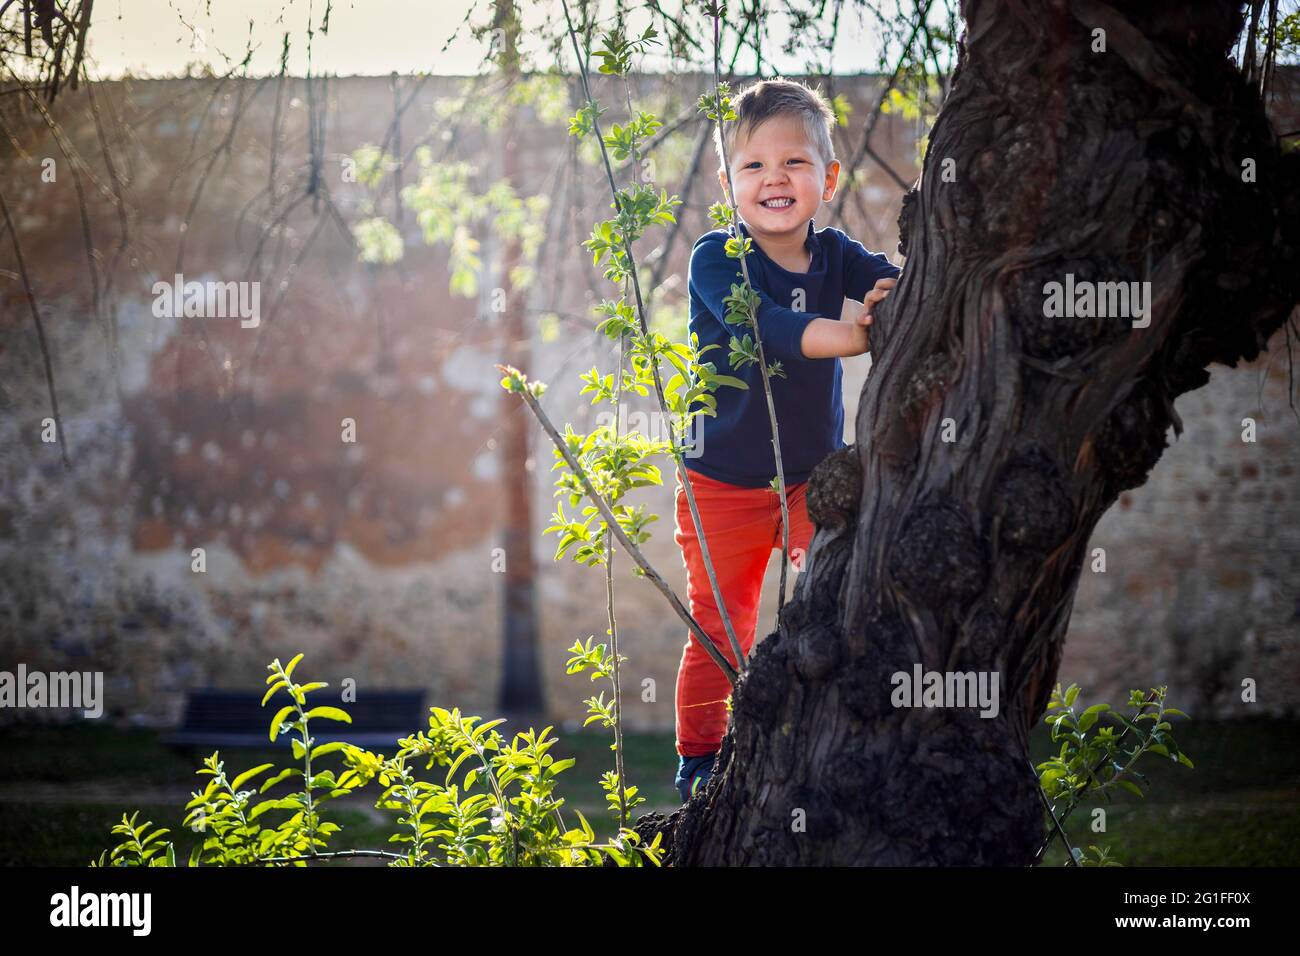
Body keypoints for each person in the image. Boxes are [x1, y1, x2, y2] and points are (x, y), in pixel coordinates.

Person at [673, 78, 901, 802]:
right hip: (722, 486)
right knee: (723, 623)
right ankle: (702, 760)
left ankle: (836, 741)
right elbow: (765, 326)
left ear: (828, 178)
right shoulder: (717, 259)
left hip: (808, 481)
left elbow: (893, 283)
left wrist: (893, 295)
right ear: (727, 184)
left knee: (833, 598)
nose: (775, 179)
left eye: (795, 163)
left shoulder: (836, 252)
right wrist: (855, 335)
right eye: (754, 166)